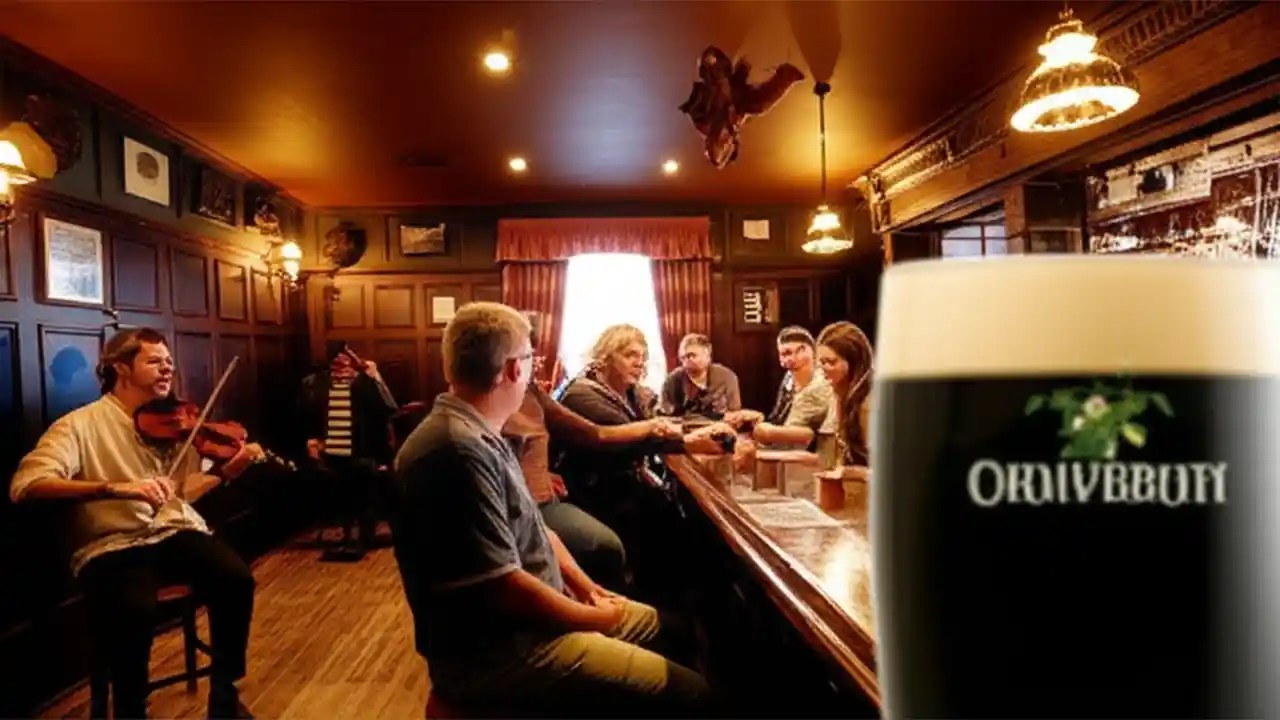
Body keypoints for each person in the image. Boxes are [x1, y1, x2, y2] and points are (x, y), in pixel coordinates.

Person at [391, 302, 712, 717]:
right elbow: (502, 587)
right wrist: (591, 618)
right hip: (506, 655)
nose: (534, 367)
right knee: (696, 695)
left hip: (534, 628)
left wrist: (589, 590)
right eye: (530, 358)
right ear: (513, 370)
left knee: (676, 631)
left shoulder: (481, 429)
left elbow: (540, 530)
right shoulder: (456, 449)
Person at [8, 328, 257, 719]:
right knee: (133, 610)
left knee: (237, 578)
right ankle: (131, 709)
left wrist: (224, 473)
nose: (167, 368)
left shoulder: (172, 421)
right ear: (120, 368)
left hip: (171, 532)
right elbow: (27, 485)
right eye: (155, 361)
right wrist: (115, 487)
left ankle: (224, 694)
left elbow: (181, 493)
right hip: (112, 543)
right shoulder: (78, 426)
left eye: (169, 361)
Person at [505, 312, 683, 592]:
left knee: (669, 510)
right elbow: (602, 436)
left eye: (533, 355)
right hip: (585, 485)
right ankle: (628, 597)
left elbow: (594, 433)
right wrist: (661, 429)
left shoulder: (531, 391)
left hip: (559, 491)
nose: (536, 362)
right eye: (529, 355)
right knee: (627, 531)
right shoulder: (581, 393)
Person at [555, 324, 730, 601]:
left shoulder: (629, 391)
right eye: (630, 355)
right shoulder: (582, 393)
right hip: (594, 489)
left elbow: (660, 422)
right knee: (683, 522)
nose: (639, 363)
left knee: (689, 516)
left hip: (622, 482)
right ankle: (659, 601)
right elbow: (629, 437)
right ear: (606, 356)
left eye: (642, 356)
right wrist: (689, 440)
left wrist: (703, 429)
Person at [300, 342, 398, 560]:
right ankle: (344, 535)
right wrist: (311, 440)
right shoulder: (315, 383)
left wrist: (375, 377)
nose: (342, 363)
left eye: (346, 359)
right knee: (340, 489)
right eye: (337, 359)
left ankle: (364, 536)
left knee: (364, 483)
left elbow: (389, 409)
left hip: (361, 451)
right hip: (331, 452)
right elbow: (307, 416)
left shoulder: (364, 382)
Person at [732, 326, 834, 462]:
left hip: (810, 453)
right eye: (783, 354)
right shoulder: (790, 377)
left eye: (789, 353)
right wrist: (758, 418)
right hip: (785, 444)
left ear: (807, 350)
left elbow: (805, 436)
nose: (786, 359)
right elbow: (779, 418)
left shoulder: (819, 385)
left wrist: (763, 432)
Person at [814, 321, 874, 481]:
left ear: (854, 363)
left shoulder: (869, 405)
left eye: (831, 362)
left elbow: (892, 472)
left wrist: (851, 473)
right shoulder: (840, 395)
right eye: (821, 362)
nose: (824, 369)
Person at [659, 333, 742, 427]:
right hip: (683, 430)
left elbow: (735, 413)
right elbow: (665, 415)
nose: (686, 361)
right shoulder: (673, 380)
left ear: (707, 355)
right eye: (683, 357)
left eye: (692, 356)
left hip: (719, 429)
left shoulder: (727, 377)